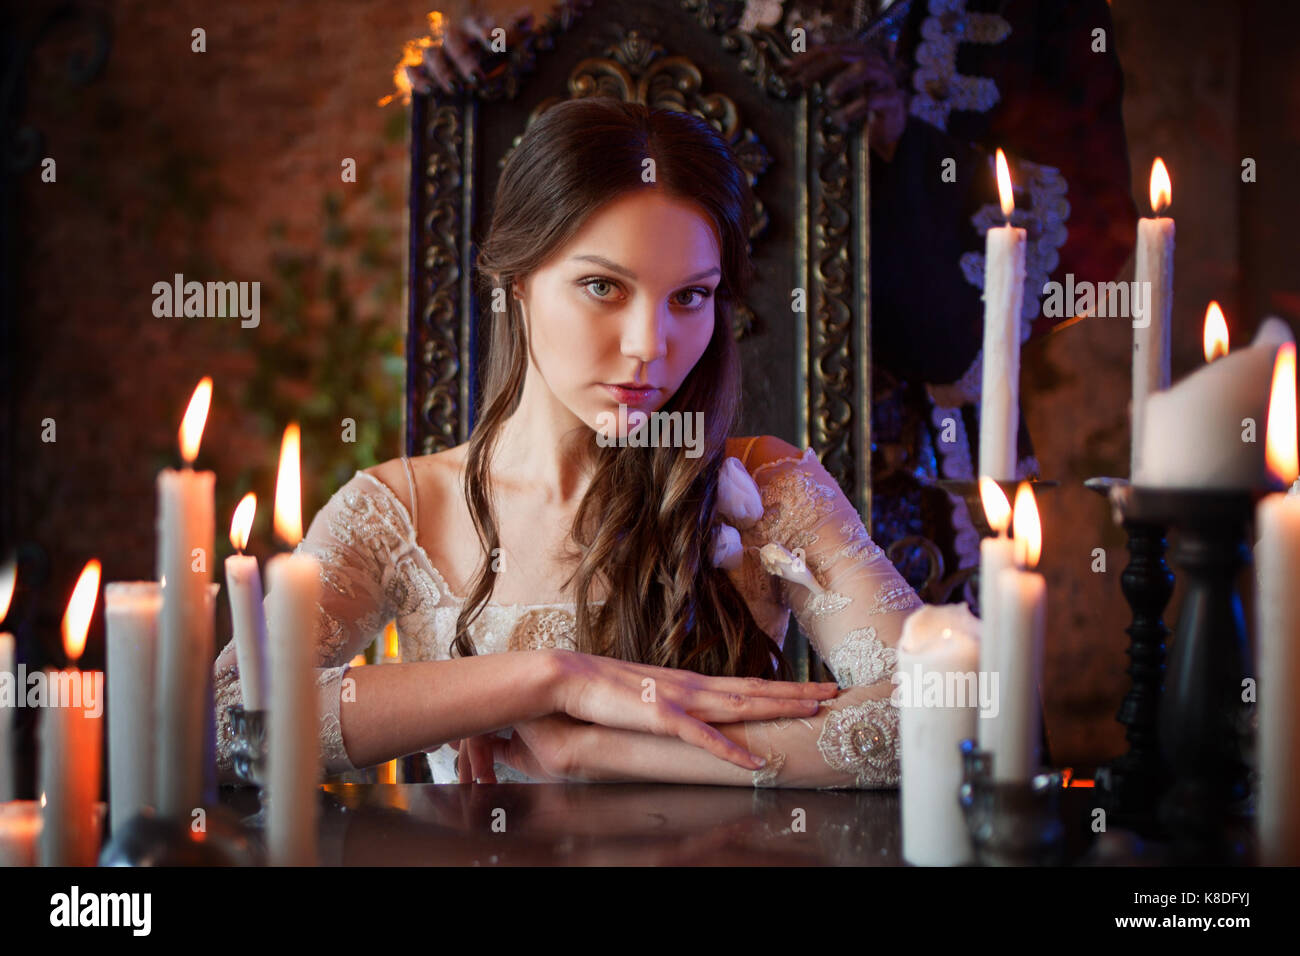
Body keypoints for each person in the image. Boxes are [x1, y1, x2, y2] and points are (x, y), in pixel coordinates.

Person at [214, 97, 923, 788]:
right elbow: (226, 725)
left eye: (690, 297)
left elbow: (946, 711)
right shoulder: (399, 510)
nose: (650, 346)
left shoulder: (768, 487)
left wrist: (593, 750)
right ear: (516, 281)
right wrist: (548, 679)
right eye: (602, 287)